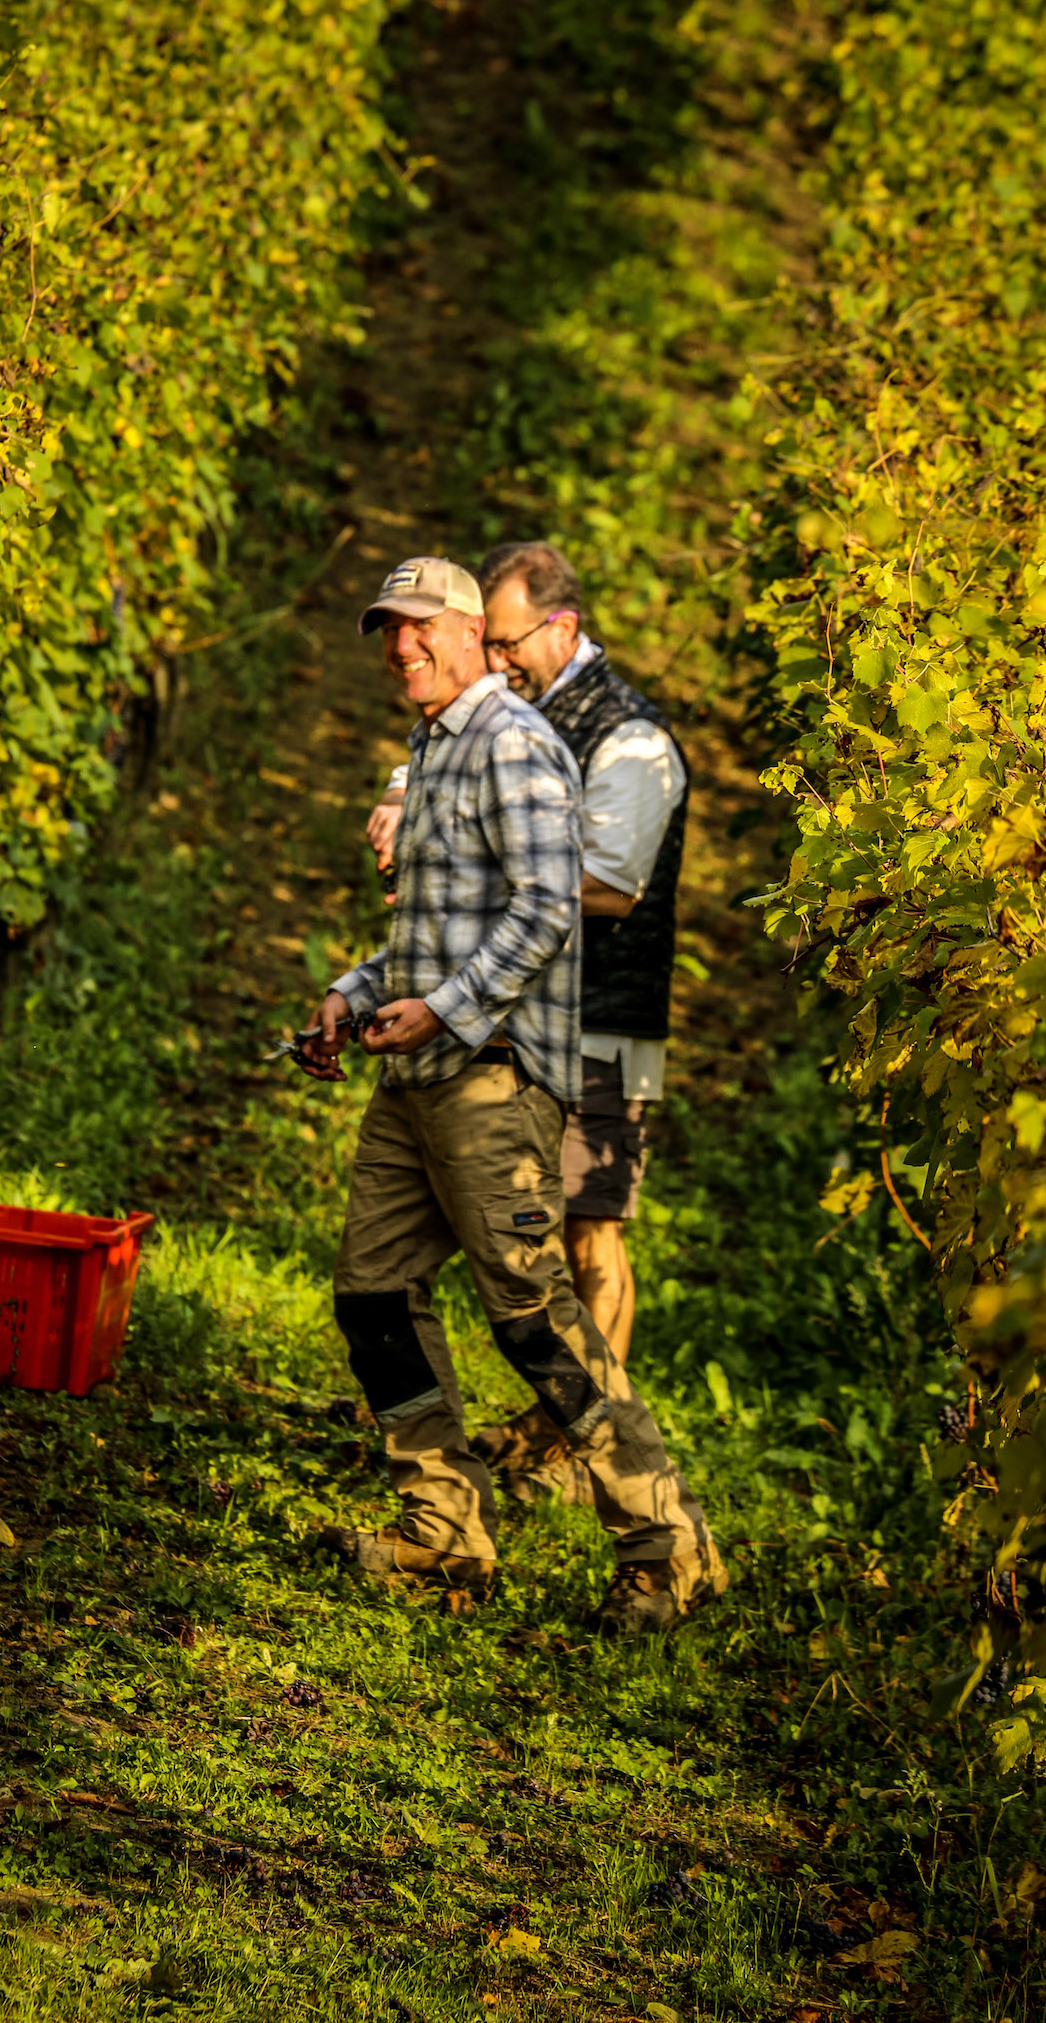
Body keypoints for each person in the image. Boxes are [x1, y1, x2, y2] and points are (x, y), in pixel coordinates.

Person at [303, 555, 726, 1633]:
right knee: (372, 1295)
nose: (399, 648)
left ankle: (667, 1543)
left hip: (492, 1076)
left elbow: (548, 911)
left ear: (464, 631)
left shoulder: (516, 742)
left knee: (535, 1315)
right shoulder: (435, 746)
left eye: (416, 628)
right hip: (420, 1072)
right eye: (386, 632)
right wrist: (353, 997)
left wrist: (444, 1009)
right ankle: (440, 1523)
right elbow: (433, 932)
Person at [366, 541, 688, 1493]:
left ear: (564, 627)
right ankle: (552, 1454)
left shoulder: (630, 739)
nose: (500, 660)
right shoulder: (508, 719)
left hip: (601, 1017)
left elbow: (606, 888)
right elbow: (438, 772)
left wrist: (481, 878)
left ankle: (597, 1466)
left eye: (509, 642)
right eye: (492, 643)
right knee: (517, 1268)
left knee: (582, 1239)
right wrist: (406, 807)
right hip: (518, 1007)